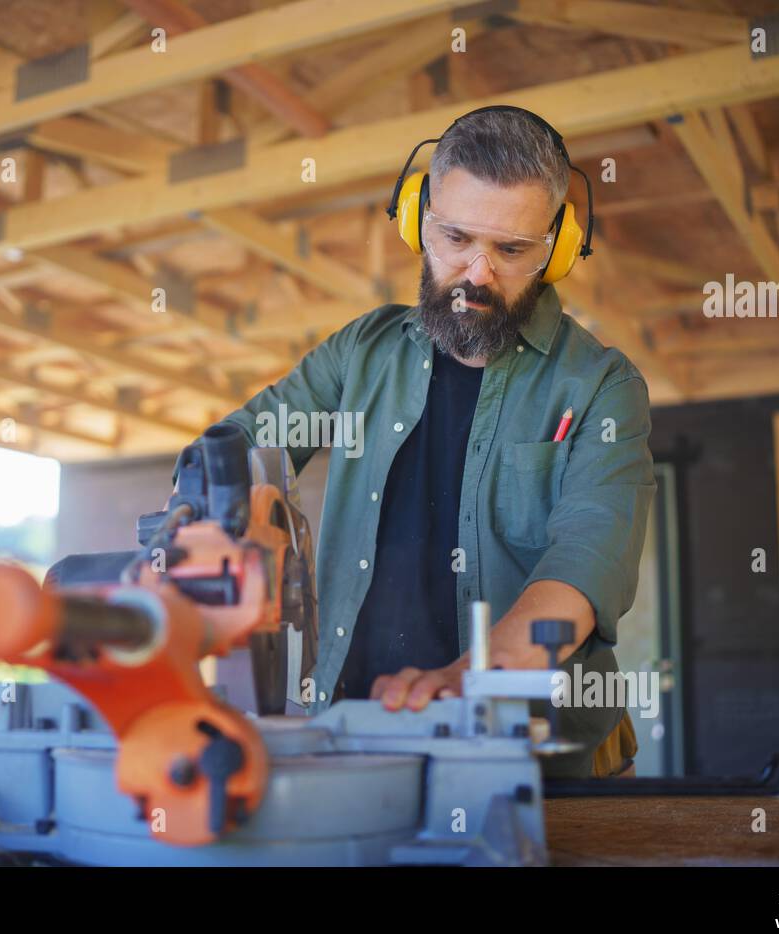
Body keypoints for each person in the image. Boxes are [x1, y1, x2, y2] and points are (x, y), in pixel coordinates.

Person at [184, 106, 653, 777]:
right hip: (364, 741)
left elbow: (585, 565)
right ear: (416, 219)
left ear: (558, 246)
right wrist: (202, 515)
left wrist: (472, 678)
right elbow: (240, 445)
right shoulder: (360, 351)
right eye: (456, 237)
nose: (477, 274)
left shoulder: (601, 386)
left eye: (511, 250)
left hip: (546, 756)